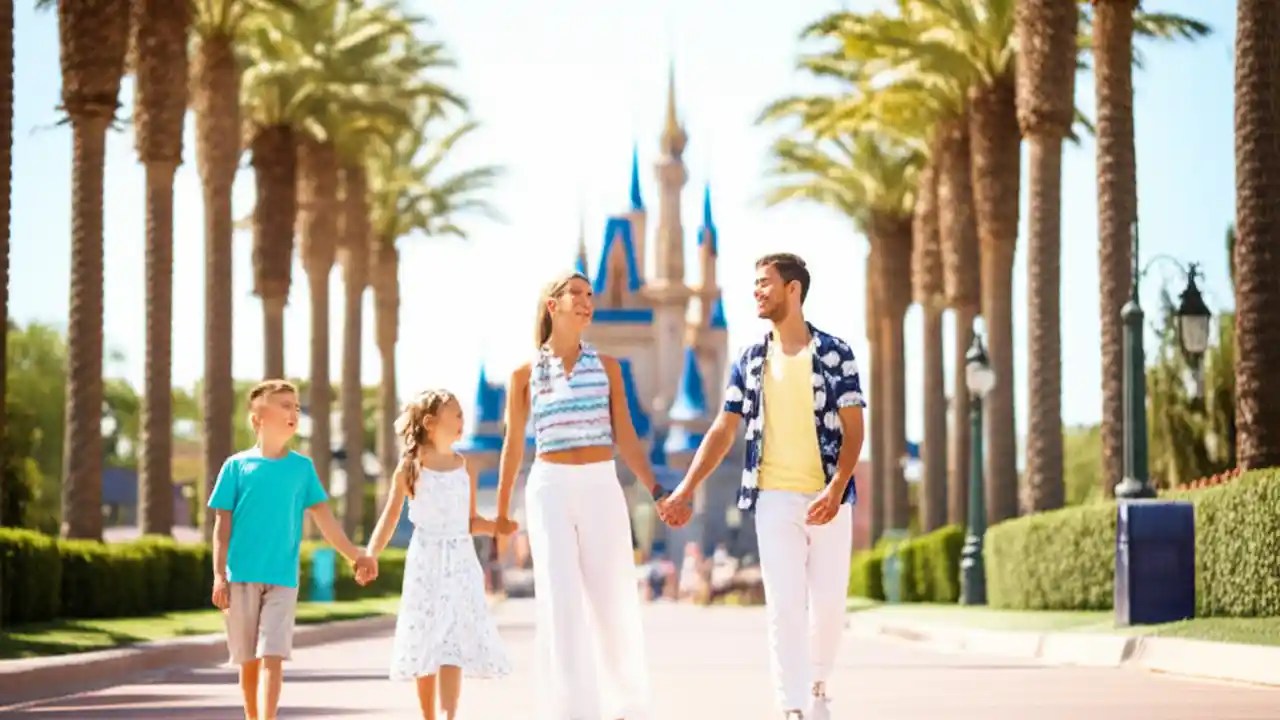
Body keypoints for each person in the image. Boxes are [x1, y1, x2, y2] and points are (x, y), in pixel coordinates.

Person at [659, 253, 866, 720]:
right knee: (785, 607)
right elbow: (721, 429)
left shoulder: (836, 354)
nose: (757, 291)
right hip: (772, 498)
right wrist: (686, 487)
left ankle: (817, 684)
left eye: (765, 283)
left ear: (793, 290)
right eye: (755, 283)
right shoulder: (751, 360)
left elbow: (854, 430)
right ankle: (791, 705)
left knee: (829, 607)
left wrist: (836, 489)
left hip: (828, 498)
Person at [494, 270, 679, 720]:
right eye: (575, 293)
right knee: (560, 600)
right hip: (549, 488)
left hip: (600, 484)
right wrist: (501, 514)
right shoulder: (524, 374)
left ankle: (627, 708)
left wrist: (657, 489)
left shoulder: (610, 368)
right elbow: (513, 447)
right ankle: (571, 709)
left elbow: (628, 439)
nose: (586, 301)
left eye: (590, 295)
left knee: (613, 595)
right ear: (552, 304)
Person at [208, 379, 377, 720]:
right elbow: (221, 527)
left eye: (296, 406)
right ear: (257, 419)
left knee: (273, 654)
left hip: (283, 579)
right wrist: (218, 576)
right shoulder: (236, 467)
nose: (293, 412)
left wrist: (355, 554)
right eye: (284, 405)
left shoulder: (302, 469)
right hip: (240, 576)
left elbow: (325, 520)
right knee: (248, 660)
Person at [363, 389, 512, 720]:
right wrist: (371, 553)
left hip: (460, 561)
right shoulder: (409, 468)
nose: (462, 421)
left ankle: (449, 716)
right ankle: (428, 715)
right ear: (431, 423)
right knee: (427, 640)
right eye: (456, 414)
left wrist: (497, 526)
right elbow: (389, 517)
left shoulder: (465, 465)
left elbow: (470, 521)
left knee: (452, 643)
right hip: (426, 560)